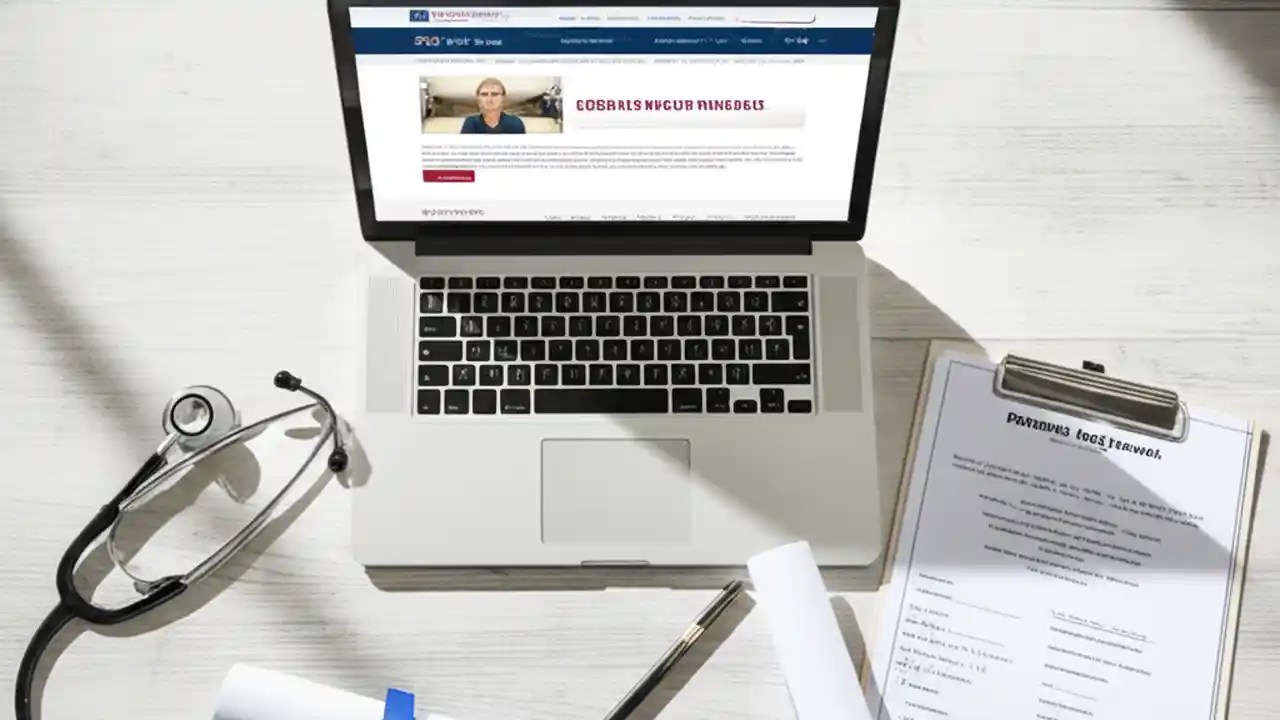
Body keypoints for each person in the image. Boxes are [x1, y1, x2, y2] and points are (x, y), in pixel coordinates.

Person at [460, 78, 526, 134]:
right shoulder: (471, 123)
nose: (489, 99)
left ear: (503, 97)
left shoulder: (514, 123)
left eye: (495, 94)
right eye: (484, 94)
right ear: (478, 98)